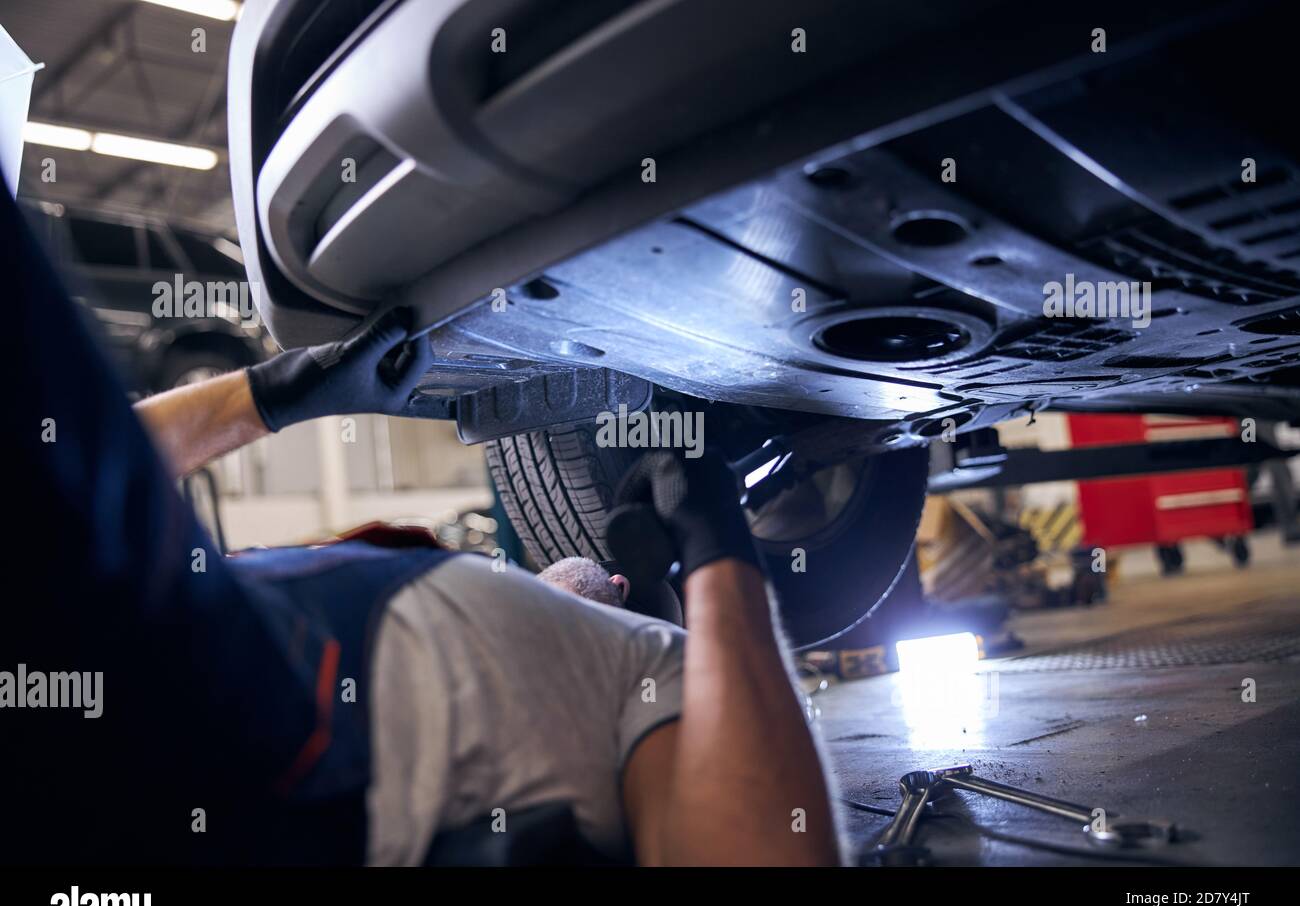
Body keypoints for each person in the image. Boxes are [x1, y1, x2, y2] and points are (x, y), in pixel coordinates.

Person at [3, 179, 839, 866]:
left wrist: (723, 562)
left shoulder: (652, 673)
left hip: (255, 729)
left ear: (629, 591)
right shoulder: (650, 666)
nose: (584, 560)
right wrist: (264, 396)